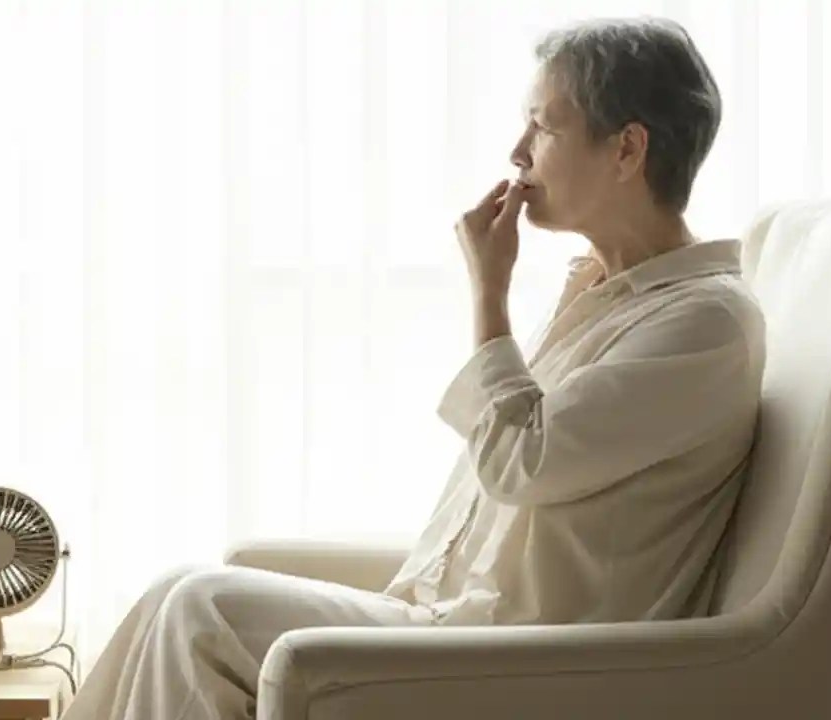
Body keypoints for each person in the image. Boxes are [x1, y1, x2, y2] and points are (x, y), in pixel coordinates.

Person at [63, 15, 765, 720]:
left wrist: (488, 294)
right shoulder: (605, 293)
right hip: (456, 631)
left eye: (543, 127)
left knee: (198, 609)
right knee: (175, 595)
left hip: (531, 662)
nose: (518, 152)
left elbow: (523, 460)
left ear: (627, 150)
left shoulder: (703, 323)